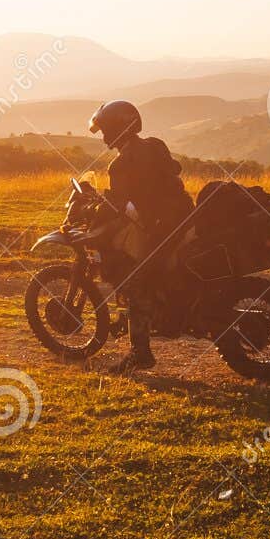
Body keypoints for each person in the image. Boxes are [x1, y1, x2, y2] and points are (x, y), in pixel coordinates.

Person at [87, 99, 194, 374]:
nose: (103, 137)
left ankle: (140, 353)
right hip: (185, 217)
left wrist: (96, 215)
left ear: (115, 130)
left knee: (136, 284)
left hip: (164, 228)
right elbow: (175, 169)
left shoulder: (121, 164)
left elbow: (117, 203)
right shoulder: (155, 144)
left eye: (104, 131)